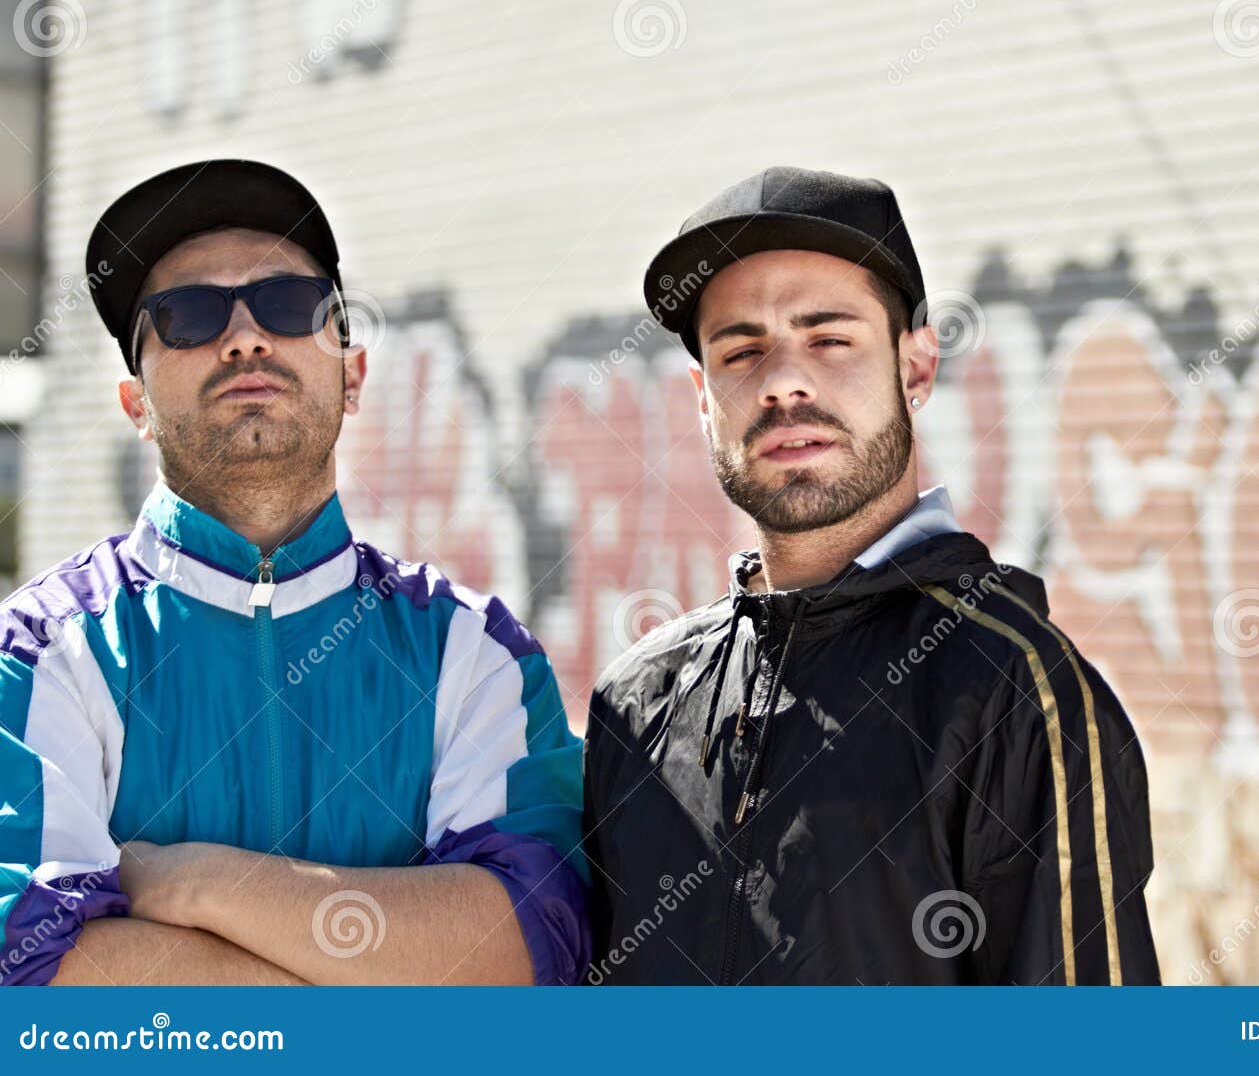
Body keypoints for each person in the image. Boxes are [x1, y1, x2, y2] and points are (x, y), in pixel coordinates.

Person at [0, 160, 587, 985]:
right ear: (136, 403)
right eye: (188, 315)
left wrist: (198, 882)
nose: (244, 337)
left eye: (288, 305)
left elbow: (525, 947)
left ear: (352, 374)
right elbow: (29, 977)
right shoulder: (39, 655)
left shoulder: (475, 652)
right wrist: (379, 987)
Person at [582, 166, 1160, 984]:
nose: (783, 381)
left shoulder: (1014, 691)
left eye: (829, 338)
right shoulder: (635, 704)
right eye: (742, 350)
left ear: (916, 368)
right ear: (704, 398)